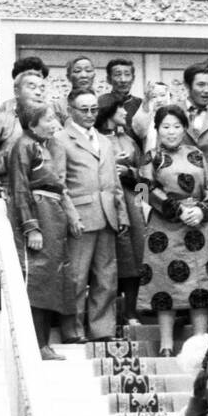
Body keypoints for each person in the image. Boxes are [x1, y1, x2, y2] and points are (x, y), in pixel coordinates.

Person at [138, 104, 208, 356]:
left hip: (197, 226)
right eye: (166, 127)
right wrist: (174, 209)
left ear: (184, 128)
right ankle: (165, 344)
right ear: (157, 129)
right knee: (164, 283)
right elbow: (142, 190)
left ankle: (199, 343)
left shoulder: (197, 154)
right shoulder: (149, 157)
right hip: (163, 227)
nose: (171, 132)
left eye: (176, 126)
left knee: (199, 282)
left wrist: (202, 210)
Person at [7, 101, 82, 360]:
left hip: (53, 214)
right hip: (38, 214)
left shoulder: (45, 146)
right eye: (48, 120)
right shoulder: (23, 146)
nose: (55, 124)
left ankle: (44, 344)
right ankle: (36, 345)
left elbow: (58, 185)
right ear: (32, 124)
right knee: (36, 281)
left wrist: (68, 213)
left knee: (51, 280)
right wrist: (32, 228)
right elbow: (19, 188)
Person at [59, 90, 130, 342]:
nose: (89, 114)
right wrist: (71, 216)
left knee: (107, 277)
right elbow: (59, 184)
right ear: (71, 110)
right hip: (81, 216)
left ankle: (103, 330)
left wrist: (122, 214)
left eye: (93, 109)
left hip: (108, 215)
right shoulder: (61, 139)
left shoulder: (106, 141)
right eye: (83, 109)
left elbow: (115, 183)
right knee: (77, 277)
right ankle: (74, 331)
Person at [96, 98, 148, 328]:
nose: (125, 114)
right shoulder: (94, 139)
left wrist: (142, 204)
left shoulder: (129, 140)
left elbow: (144, 174)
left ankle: (131, 312)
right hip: (105, 205)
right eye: (121, 109)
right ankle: (106, 317)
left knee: (134, 258)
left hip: (131, 204)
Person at [0, 68, 46, 207]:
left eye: (42, 88)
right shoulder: (2, 120)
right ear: (16, 92)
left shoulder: (50, 122)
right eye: (31, 87)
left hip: (41, 196)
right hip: (9, 191)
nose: (38, 92)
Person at [97, 57, 142, 124]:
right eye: (118, 75)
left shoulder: (140, 104)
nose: (123, 80)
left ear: (133, 79)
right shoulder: (100, 102)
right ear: (108, 79)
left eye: (127, 75)